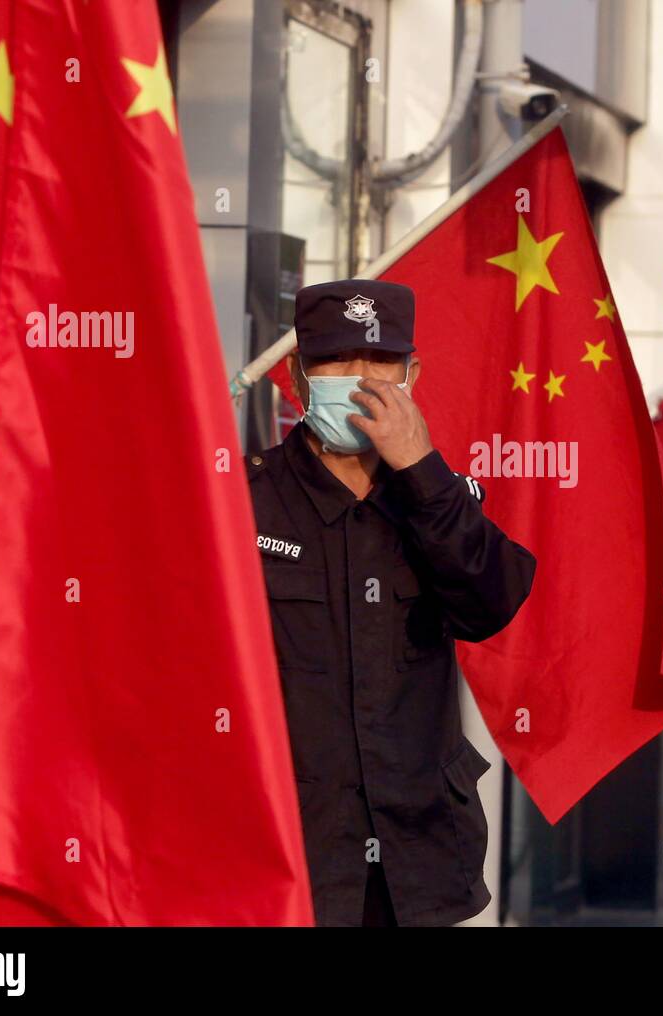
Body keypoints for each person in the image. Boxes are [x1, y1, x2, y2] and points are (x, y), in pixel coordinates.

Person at [244, 279, 536, 927]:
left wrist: (422, 469)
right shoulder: (244, 499)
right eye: (337, 361)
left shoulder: (439, 498)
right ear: (297, 374)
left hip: (415, 856)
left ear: (412, 373)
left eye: (380, 362)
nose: (360, 379)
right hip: (290, 853)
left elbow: (492, 603)